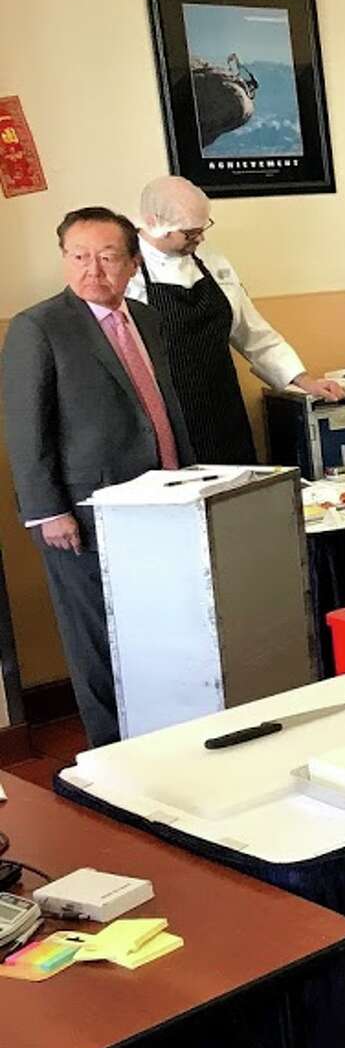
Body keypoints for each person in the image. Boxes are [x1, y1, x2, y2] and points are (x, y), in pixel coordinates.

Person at [3, 208, 195, 747]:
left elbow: (161, 404)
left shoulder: (147, 318)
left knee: (159, 625)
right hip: (82, 510)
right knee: (96, 637)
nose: (93, 270)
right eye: (78, 256)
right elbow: (25, 428)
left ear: (133, 263)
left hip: (162, 498)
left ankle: (163, 735)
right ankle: (112, 750)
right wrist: (49, 511)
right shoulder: (39, 327)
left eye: (108, 257)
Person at [129, 176, 345, 464]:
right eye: (190, 233)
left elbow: (252, 332)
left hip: (223, 405)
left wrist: (305, 380)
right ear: (155, 222)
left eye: (202, 229)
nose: (199, 238)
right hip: (167, 414)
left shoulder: (212, 261)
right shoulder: (127, 269)